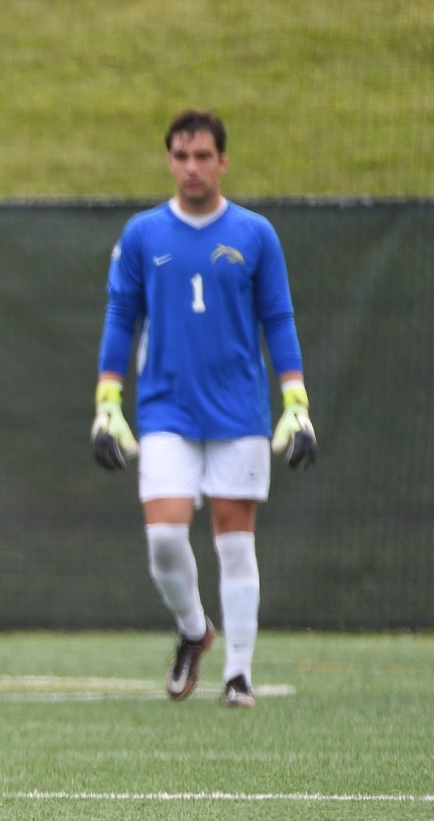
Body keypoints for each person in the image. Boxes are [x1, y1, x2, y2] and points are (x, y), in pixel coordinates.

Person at [91, 110, 318, 708]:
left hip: (238, 410)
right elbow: (121, 315)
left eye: (202, 156)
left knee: (235, 543)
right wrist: (107, 400)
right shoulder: (142, 234)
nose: (191, 167)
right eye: (180, 156)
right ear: (169, 161)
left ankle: (238, 675)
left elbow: (279, 318)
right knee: (165, 537)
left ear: (223, 161)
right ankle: (195, 630)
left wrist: (295, 400)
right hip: (166, 409)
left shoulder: (254, 233)